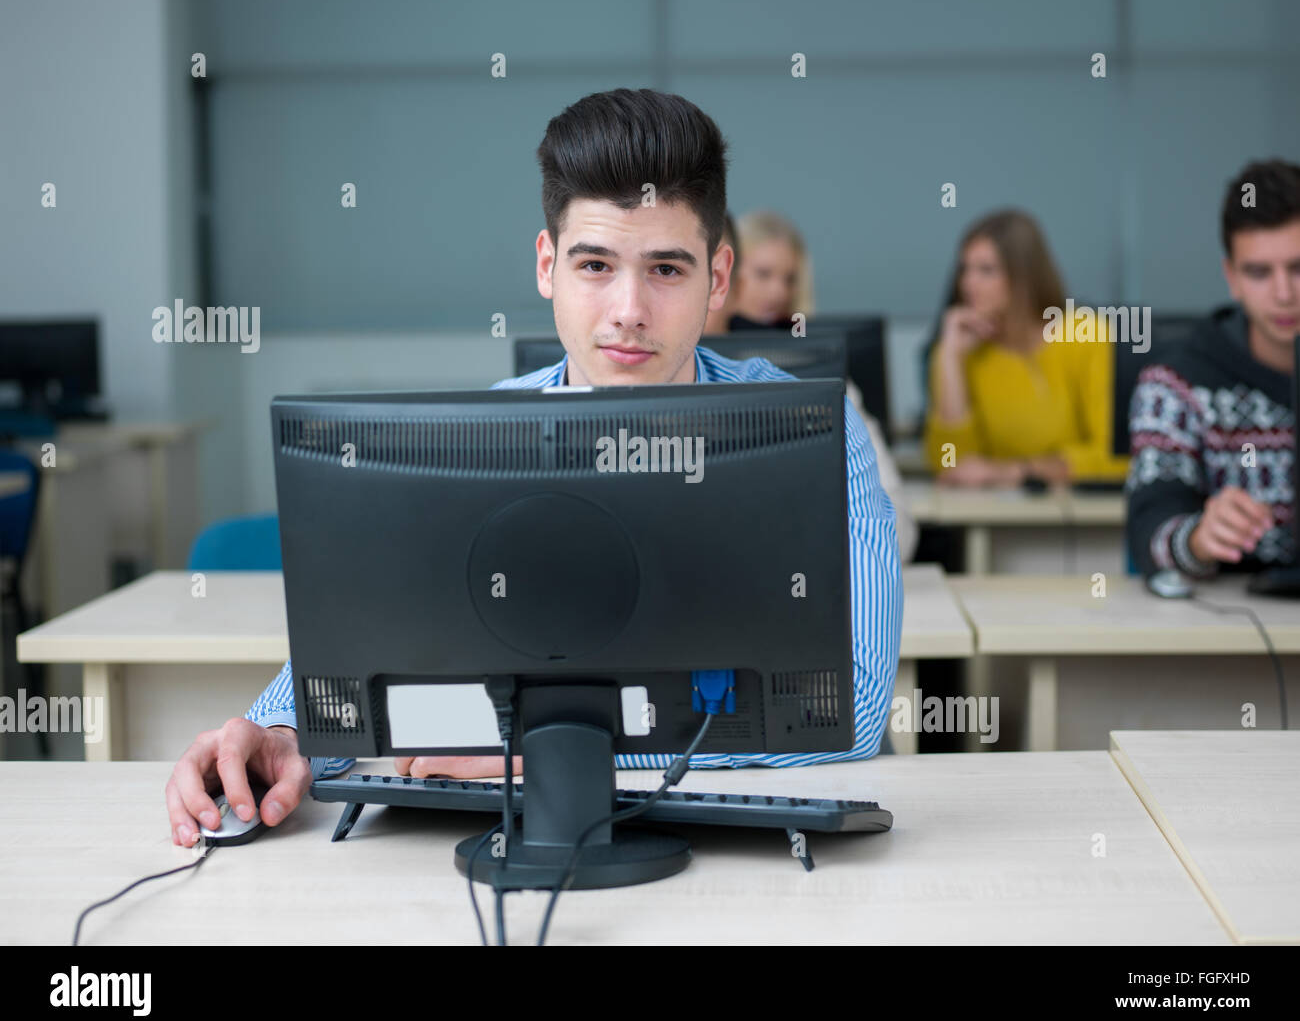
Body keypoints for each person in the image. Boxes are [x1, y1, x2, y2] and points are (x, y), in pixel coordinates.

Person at [164, 88, 903, 847]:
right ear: (548, 265)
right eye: (595, 264)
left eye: (667, 270)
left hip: (749, 864)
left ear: (718, 278)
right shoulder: (478, 440)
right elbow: (373, 642)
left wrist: (542, 750)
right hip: (512, 845)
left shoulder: (817, 433)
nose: (628, 308)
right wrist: (282, 730)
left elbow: (861, 705)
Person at [713, 207, 917, 560]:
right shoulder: (661, 375)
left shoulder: (821, 374)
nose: (777, 292)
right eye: (762, 274)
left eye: (789, 279)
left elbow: (899, 531)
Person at [1127, 159, 1298, 577]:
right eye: (1259, 272)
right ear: (1231, 277)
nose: (1283, 293)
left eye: (1298, 268)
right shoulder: (1174, 386)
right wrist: (1199, 537)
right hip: (1238, 625)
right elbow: (1151, 529)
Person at [922, 209, 1130, 486]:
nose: (967, 283)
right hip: (993, 517)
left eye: (986, 270)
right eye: (964, 269)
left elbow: (1116, 456)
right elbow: (950, 466)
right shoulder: (961, 347)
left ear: (1024, 277)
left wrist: (1015, 471)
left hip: (1079, 516)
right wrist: (949, 358)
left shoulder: (1085, 334)